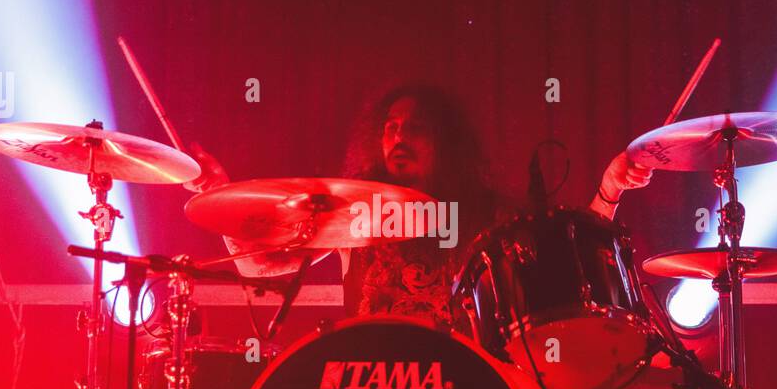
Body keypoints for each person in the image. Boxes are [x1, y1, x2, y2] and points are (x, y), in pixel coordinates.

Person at [186, 83, 652, 325]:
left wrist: (610, 191)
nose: (399, 136)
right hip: (365, 384)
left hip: (460, 384)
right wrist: (221, 198)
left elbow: (571, 257)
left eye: (416, 128)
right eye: (391, 127)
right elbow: (258, 268)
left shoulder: (481, 212)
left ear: (445, 142)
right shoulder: (352, 208)